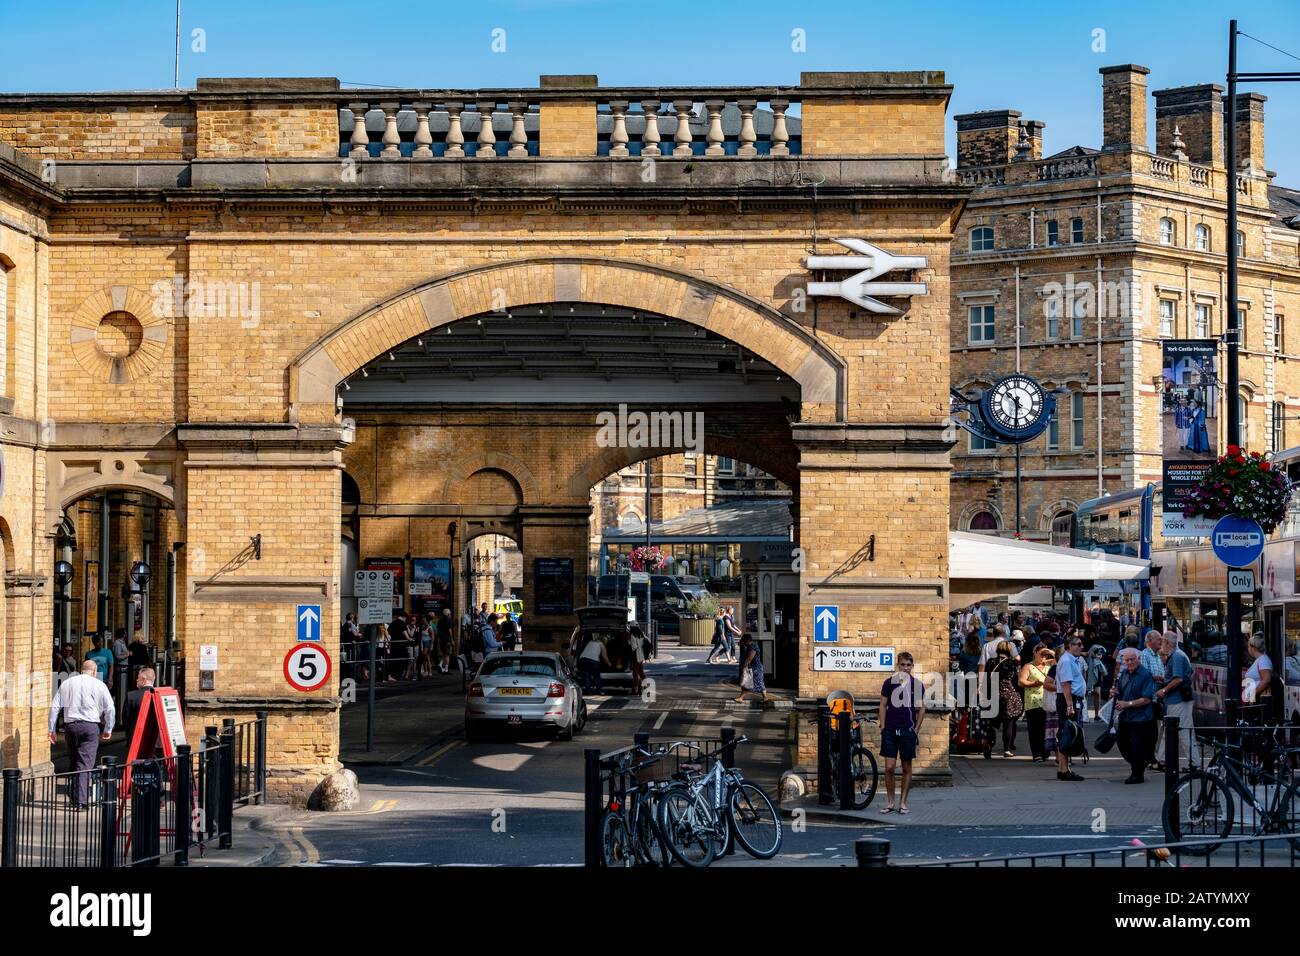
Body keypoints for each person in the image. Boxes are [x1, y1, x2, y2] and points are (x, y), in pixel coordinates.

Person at [48, 660, 115, 807]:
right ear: (94, 671)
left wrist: (51, 729)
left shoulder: (68, 683)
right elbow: (110, 708)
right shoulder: (99, 685)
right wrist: (108, 729)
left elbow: (55, 706)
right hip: (90, 727)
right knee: (84, 764)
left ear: (81, 669)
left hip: (70, 727)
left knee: (74, 760)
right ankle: (80, 801)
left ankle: (73, 793)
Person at [879, 651, 925, 814]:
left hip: (907, 731)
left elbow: (921, 709)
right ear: (897, 665)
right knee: (889, 767)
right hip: (890, 730)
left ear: (912, 667)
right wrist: (883, 726)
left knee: (906, 767)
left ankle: (903, 803)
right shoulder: (889, 683)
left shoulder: (917, 685)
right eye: (902, 665)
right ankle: (890, 801)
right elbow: (883, 705)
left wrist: (916, 730)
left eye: (908, 665)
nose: (905, 668)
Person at [1111, 647, 1157, 784]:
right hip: (1126, 716)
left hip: (1141, 717)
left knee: (1137, 746)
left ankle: (1137, 774)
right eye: (1127, 660)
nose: (1130, 662)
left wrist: (1128, 703)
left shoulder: (1145, 674)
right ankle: (1139, 763)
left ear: (1138, 659)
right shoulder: (1124, 673)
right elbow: (1120, 691)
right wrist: (1114, 693)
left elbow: (1147, 699)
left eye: (1132, 659)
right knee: (1122, 742)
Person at [1157, 631, 1200, 769]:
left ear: (1167, 643)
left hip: (1179, 700)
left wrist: (1164, 690)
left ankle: (1194, 763)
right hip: (1176, 700)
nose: (1160, 644)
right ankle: (1161, 759)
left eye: (1162, 641)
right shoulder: (1177, 655)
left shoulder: (1177, 656)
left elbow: (1178, 679)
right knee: (1169, 731)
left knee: (1183, 732)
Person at [1054, 633, 1087, 781]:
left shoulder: (1071, 660)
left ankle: (1063, 768)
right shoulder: (1066, 661)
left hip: (1071, 699)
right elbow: (1066, 684)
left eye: (1081, 644)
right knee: (1067, 733)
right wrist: (1070, 705)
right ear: (1069, 646)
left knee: (1066, 732)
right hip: (1069, 699)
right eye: (1078, 644)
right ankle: (1064, 769)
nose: (1081, 647)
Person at [1019, 643, 1054, 762]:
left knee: (1046, 728)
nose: (1043, 657)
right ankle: (1037, 754)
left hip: (1047, 701)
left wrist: (1050, 652)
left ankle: (1045, 752)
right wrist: (1033, 683)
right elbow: (1021, 682)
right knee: (1035, 730)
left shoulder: (1049, 665)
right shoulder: (1028, 666)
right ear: (1035, 653)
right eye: (1041, 654)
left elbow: (1060, 659)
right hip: (1033, 702)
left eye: (1045, 655)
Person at [991, 641, 1023, 757]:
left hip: (993, 694)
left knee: (993, 723)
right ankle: (1006, 749)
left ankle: (988, 745)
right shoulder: (1012, 663)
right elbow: (1017, 681)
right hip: (1008, 694)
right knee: (1008, 723)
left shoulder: (991, 662)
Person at [121, 666, 157, 744]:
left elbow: (125, 719)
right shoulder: (160, 695)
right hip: (155, 739)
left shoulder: (131, 696)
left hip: (135, 738)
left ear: (144, 680)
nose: (136, 680)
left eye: (138, 678)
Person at [733, 632, 767, 704]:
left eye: (744, 641)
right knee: (759, 683)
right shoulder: (751, 646)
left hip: (755, 668)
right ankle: (765, 698)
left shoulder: (753, 647)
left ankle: (741, 698)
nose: (744, 643)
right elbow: (740, 644)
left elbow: (749, 658)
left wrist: (744, 666)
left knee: (748, 683)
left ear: (747, 640)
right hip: (757, 667)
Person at [1243, 634, 1273, 712]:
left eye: (1249, 647)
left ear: (1253, 647)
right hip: (1254, 699)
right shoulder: (1259, 660)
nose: (1248, 649)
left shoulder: (1263, 661)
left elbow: (1266, 680)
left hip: (1258, 700)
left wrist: (1253, 693)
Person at [1085, 646, 1109, 721]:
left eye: (1101, 654)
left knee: (1097, 693)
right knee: (1085, 694)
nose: (1099, 655)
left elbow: (1103, 670)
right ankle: (1084, 714)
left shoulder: (1099, 661)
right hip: (1088, 674)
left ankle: (1096, 714)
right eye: (1098, 653)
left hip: (1097, 675)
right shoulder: (1088, 658)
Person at [436, 608, 454, 674]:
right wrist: (452, 639)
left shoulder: (440, 620)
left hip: (441, 639)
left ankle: (440, 665)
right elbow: (449, 630)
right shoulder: (448, 620)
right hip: (447, 639)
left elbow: (438, 630)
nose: (451, 615)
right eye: (450, 613)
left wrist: (438, 639)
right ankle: (446, 669)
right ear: (448, 614)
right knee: (447, 654)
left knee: (444, 653)